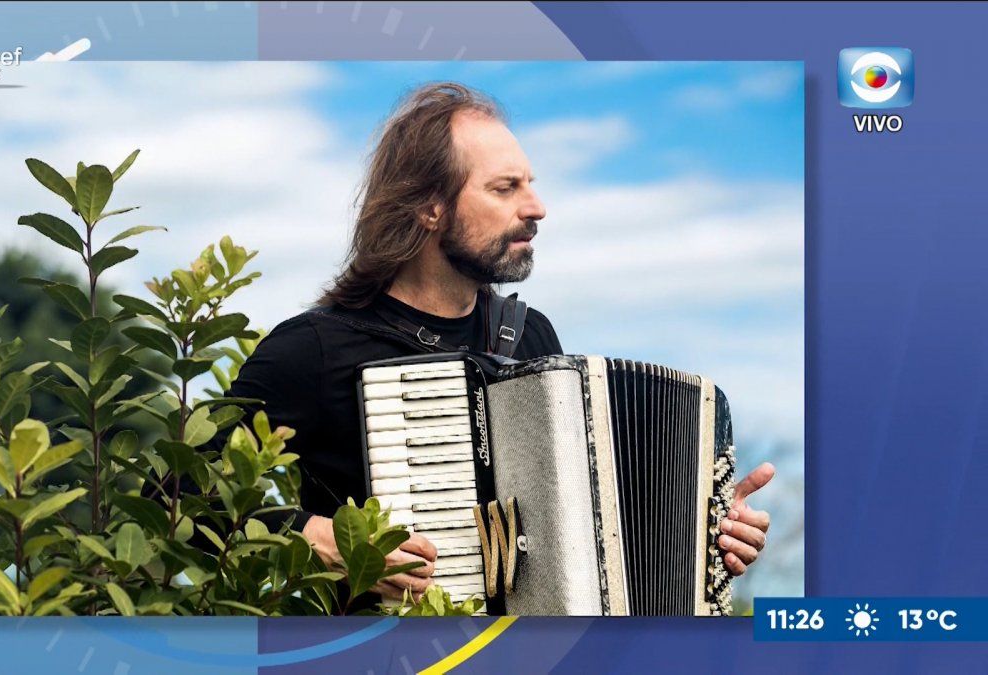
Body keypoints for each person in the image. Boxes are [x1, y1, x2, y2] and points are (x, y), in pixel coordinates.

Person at [212, 82, 774, 602]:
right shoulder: (314, 349)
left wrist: (706, 530)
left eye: (529, 185)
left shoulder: (531, 337)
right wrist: (314, 537)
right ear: (429, 207)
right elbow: (179, 493)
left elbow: (584, 518)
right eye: (505, 188)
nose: (536, 208)